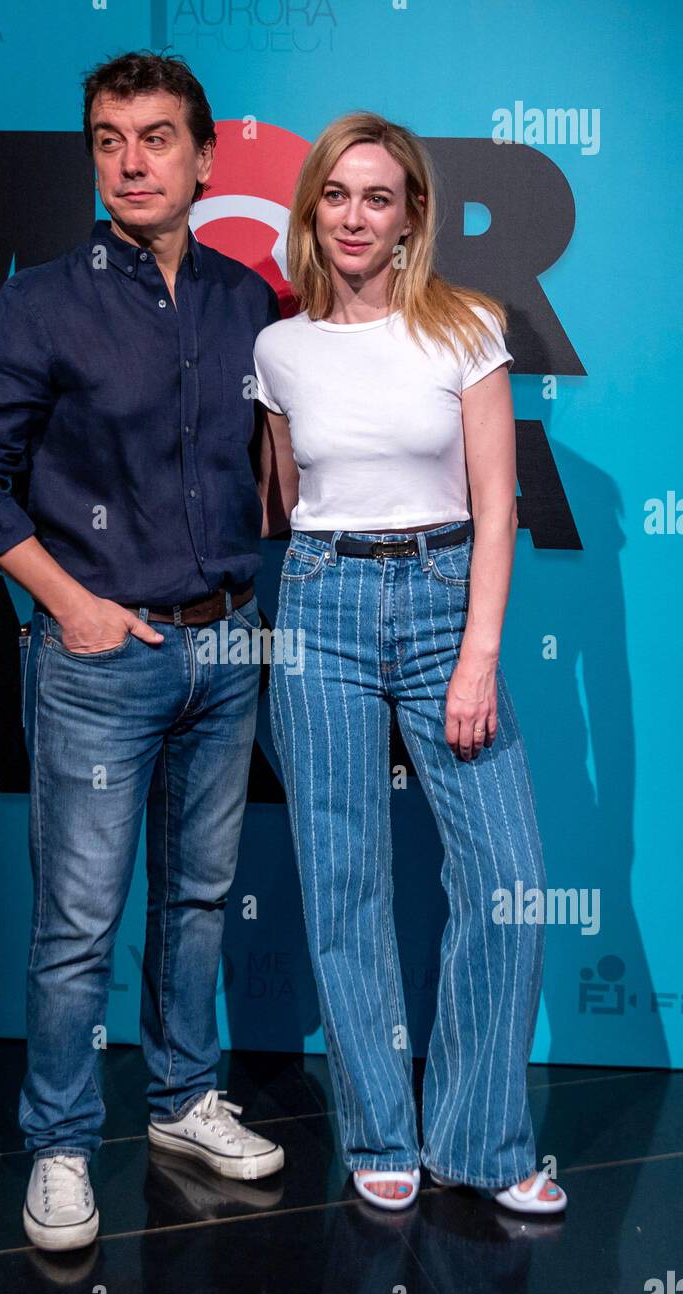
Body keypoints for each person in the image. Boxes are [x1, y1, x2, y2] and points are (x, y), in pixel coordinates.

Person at [0, 51, 284, 1253]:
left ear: (202, 154)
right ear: (92, 154)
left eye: (155, 138)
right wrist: (67, 602)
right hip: (98, 661)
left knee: (193, 901)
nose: (131, 162)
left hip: (226, 648)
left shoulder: (250, 302)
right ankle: (63, 1145)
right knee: (78, 926)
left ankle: (183, 1099)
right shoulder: (39, 302)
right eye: (108, 139)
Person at [253, 111, 566, 1216]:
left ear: (410, 217)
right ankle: (380, 1127)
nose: (353, 215)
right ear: (313, 209)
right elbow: (290, 503)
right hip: (322, 599)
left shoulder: (469, 327)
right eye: (336, 194)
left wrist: (479, 654)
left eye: (377, 197)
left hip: (444, 601)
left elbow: (497, 506)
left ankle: (482, 1138)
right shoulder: (279, 349)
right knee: (343, 879)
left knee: (506, 876)